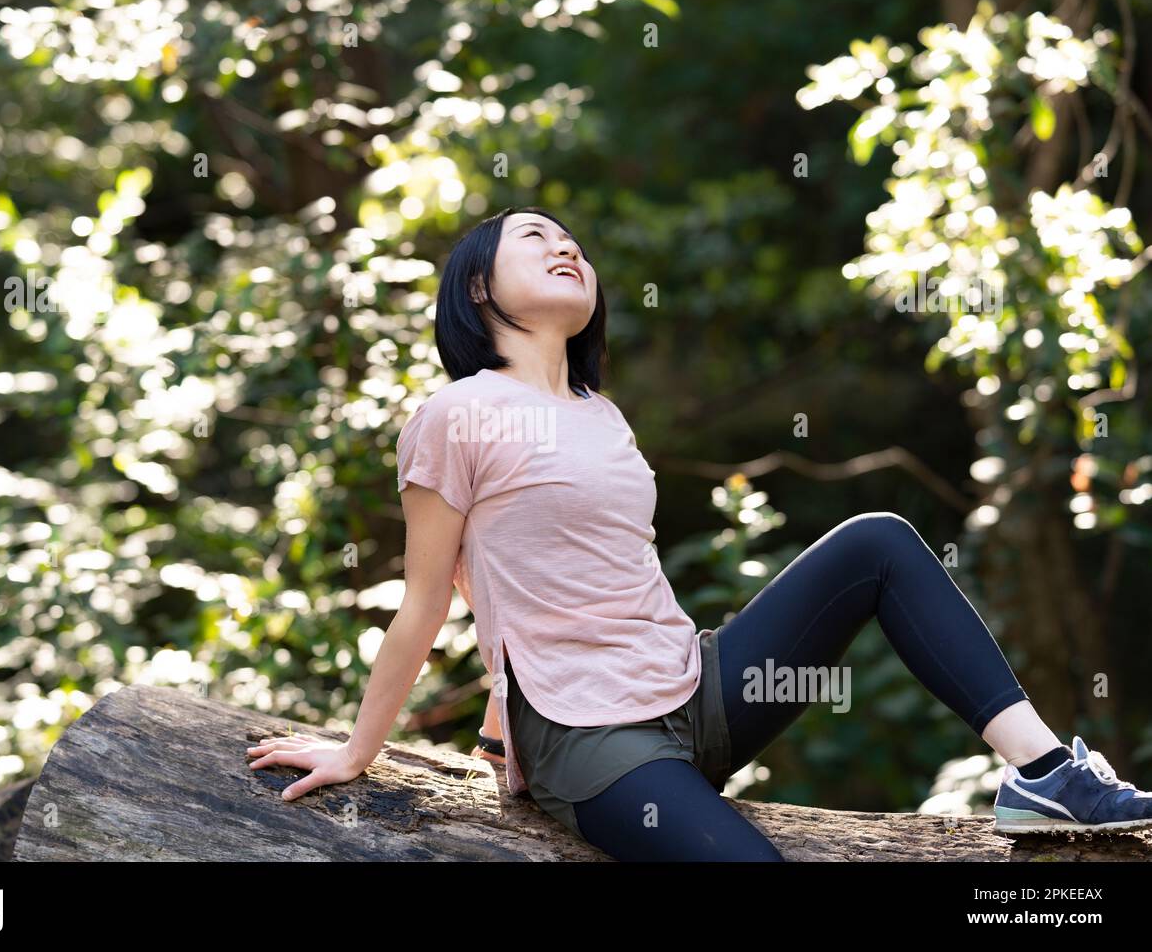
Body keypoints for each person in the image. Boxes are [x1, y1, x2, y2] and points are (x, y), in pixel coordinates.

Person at [247, 206, 1152, 860]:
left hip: (696, 687)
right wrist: (359, 750)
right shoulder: (456, 414)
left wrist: (492, 706)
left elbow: (540, 568)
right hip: (593, 738)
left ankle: (1044, 775)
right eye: (535, 237)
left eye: (573, 241)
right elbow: (430, 594)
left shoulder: (601, 414)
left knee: (877, 540)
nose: (565, 245)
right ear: (478, 286)